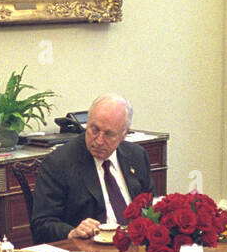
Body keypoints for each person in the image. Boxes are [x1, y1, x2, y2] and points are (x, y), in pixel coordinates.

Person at [31, 93, 153, 244]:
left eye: (109, 134)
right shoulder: (59, 163)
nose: (99, 140)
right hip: (90, 251)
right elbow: (42, 224)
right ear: (87, 124)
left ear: (124, 134)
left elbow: (151, 209)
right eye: (94, 130)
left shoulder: (136, 156)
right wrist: (72, 232)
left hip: (136, 248)